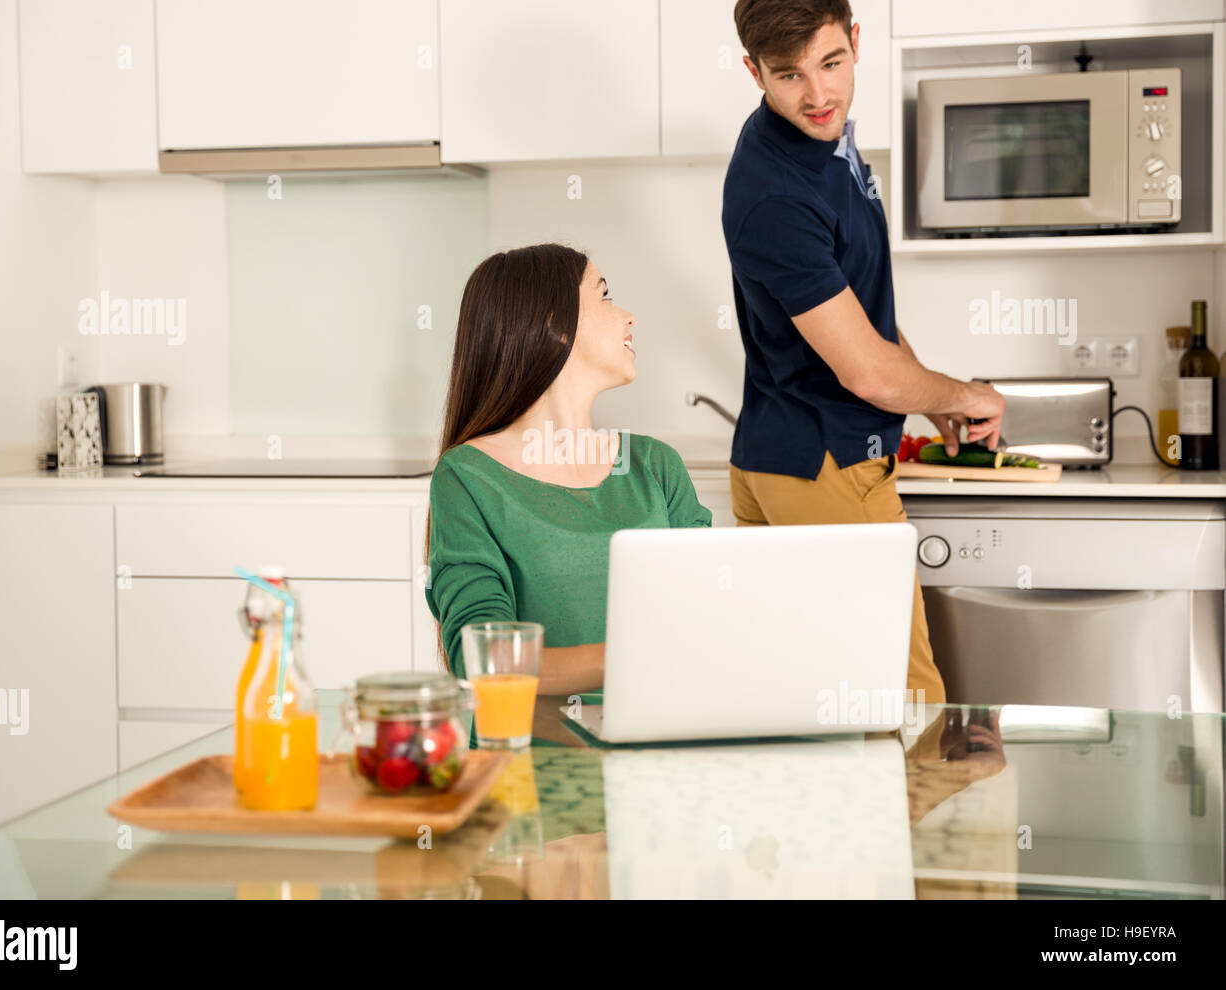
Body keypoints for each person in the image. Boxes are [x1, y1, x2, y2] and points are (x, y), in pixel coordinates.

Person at [724, 0, 1006, 704]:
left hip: (799, 461)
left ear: (855, 40)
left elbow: (865, 319)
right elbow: (868, 371)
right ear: (753, 71)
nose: (818, 94)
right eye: (789, 76)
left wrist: (929, 400)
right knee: (906, 710)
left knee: (821, 707)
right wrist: (969, 396)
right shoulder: (777, 194)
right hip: (825, 467)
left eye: (831, 63)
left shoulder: (823, 145)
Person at [423, 243, 712, 698]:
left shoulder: (655, 466)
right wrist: (632, 657)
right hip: (536, 757)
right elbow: (483, 660)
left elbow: (713, 613)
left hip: (664, 742)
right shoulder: (468, 478)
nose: (628, 317)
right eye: (606, 296)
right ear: (556, 326)